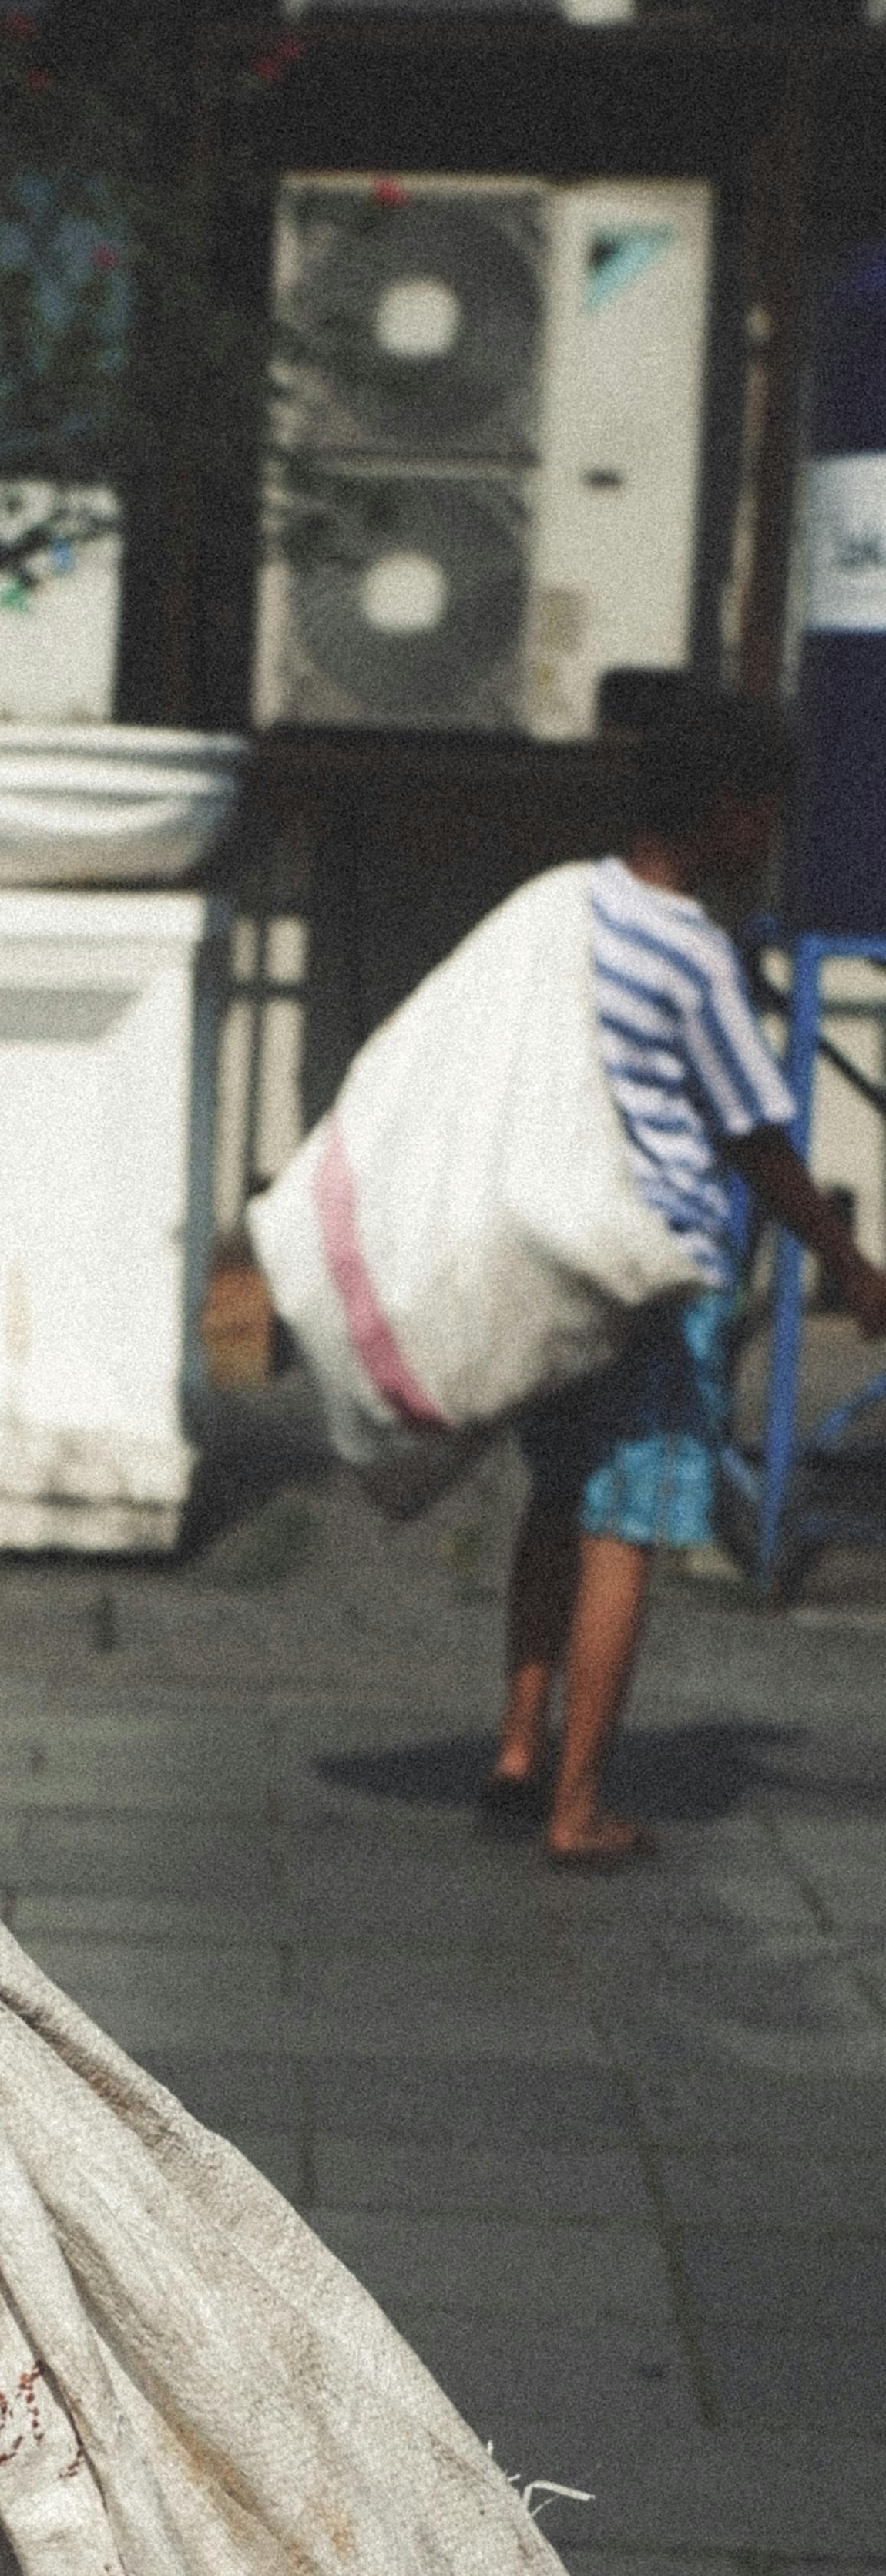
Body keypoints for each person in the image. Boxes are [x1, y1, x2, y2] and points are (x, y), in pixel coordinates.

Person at [486, 688, 886, 1869]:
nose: (769, 835)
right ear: (725, 812)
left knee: (556, 1497)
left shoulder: (572, 905)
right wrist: (851, 1264)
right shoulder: (691, 951)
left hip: (565, 1252)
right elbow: (756, 1137)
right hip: (659, 1274)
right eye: (764, 812)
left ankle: (518, 1746)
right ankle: (578, 1808)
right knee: (629, 1527)